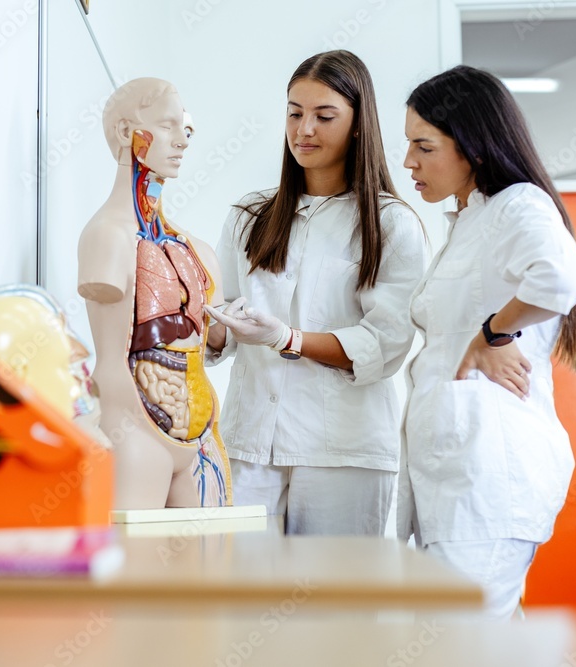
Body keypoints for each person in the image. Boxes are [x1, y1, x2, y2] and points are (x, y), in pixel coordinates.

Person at [205, 50, 426, 536]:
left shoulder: (391, 223)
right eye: (294, 112)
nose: (304, 129)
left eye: (324, 116)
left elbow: (383, 346)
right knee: (240, 600)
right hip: (249, 445)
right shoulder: (249, 214)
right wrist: (210, 326)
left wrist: (289, 338)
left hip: (342, 453)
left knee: (334, 603)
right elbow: (219, 324)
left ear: (357, 124)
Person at [397, 65, 576, 619]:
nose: (409, 160)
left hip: (485, 479)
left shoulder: (517, 205)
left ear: (474, 147)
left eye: (423, 145)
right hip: (452, 483)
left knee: (462, 648)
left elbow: (559, 277)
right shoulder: (469, 222)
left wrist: (494, 332)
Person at [77, 77, 233, 510]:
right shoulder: (108, 237)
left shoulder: (194, 249)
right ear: (128, 133)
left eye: (186, 128)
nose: (182, 139)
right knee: (137, 569)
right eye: (166, 125)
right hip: (134, 432)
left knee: (211, 566)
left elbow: (216, 340)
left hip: (200, 433)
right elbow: (111, 362)